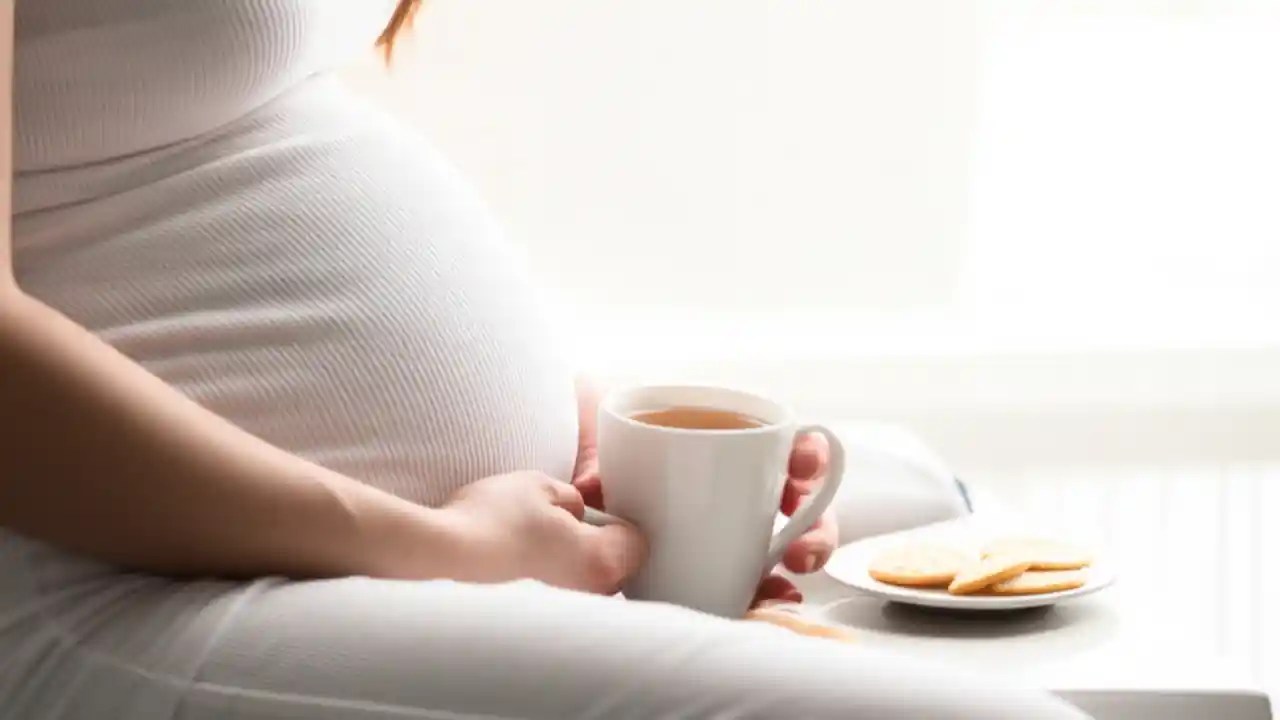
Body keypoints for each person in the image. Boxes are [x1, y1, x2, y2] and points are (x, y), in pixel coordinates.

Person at [0, 2, 1085, 718]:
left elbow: (184, 142)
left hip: (337, 532)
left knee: (922, 488)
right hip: (112, 585)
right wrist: (440, 546)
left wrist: (579, 423)